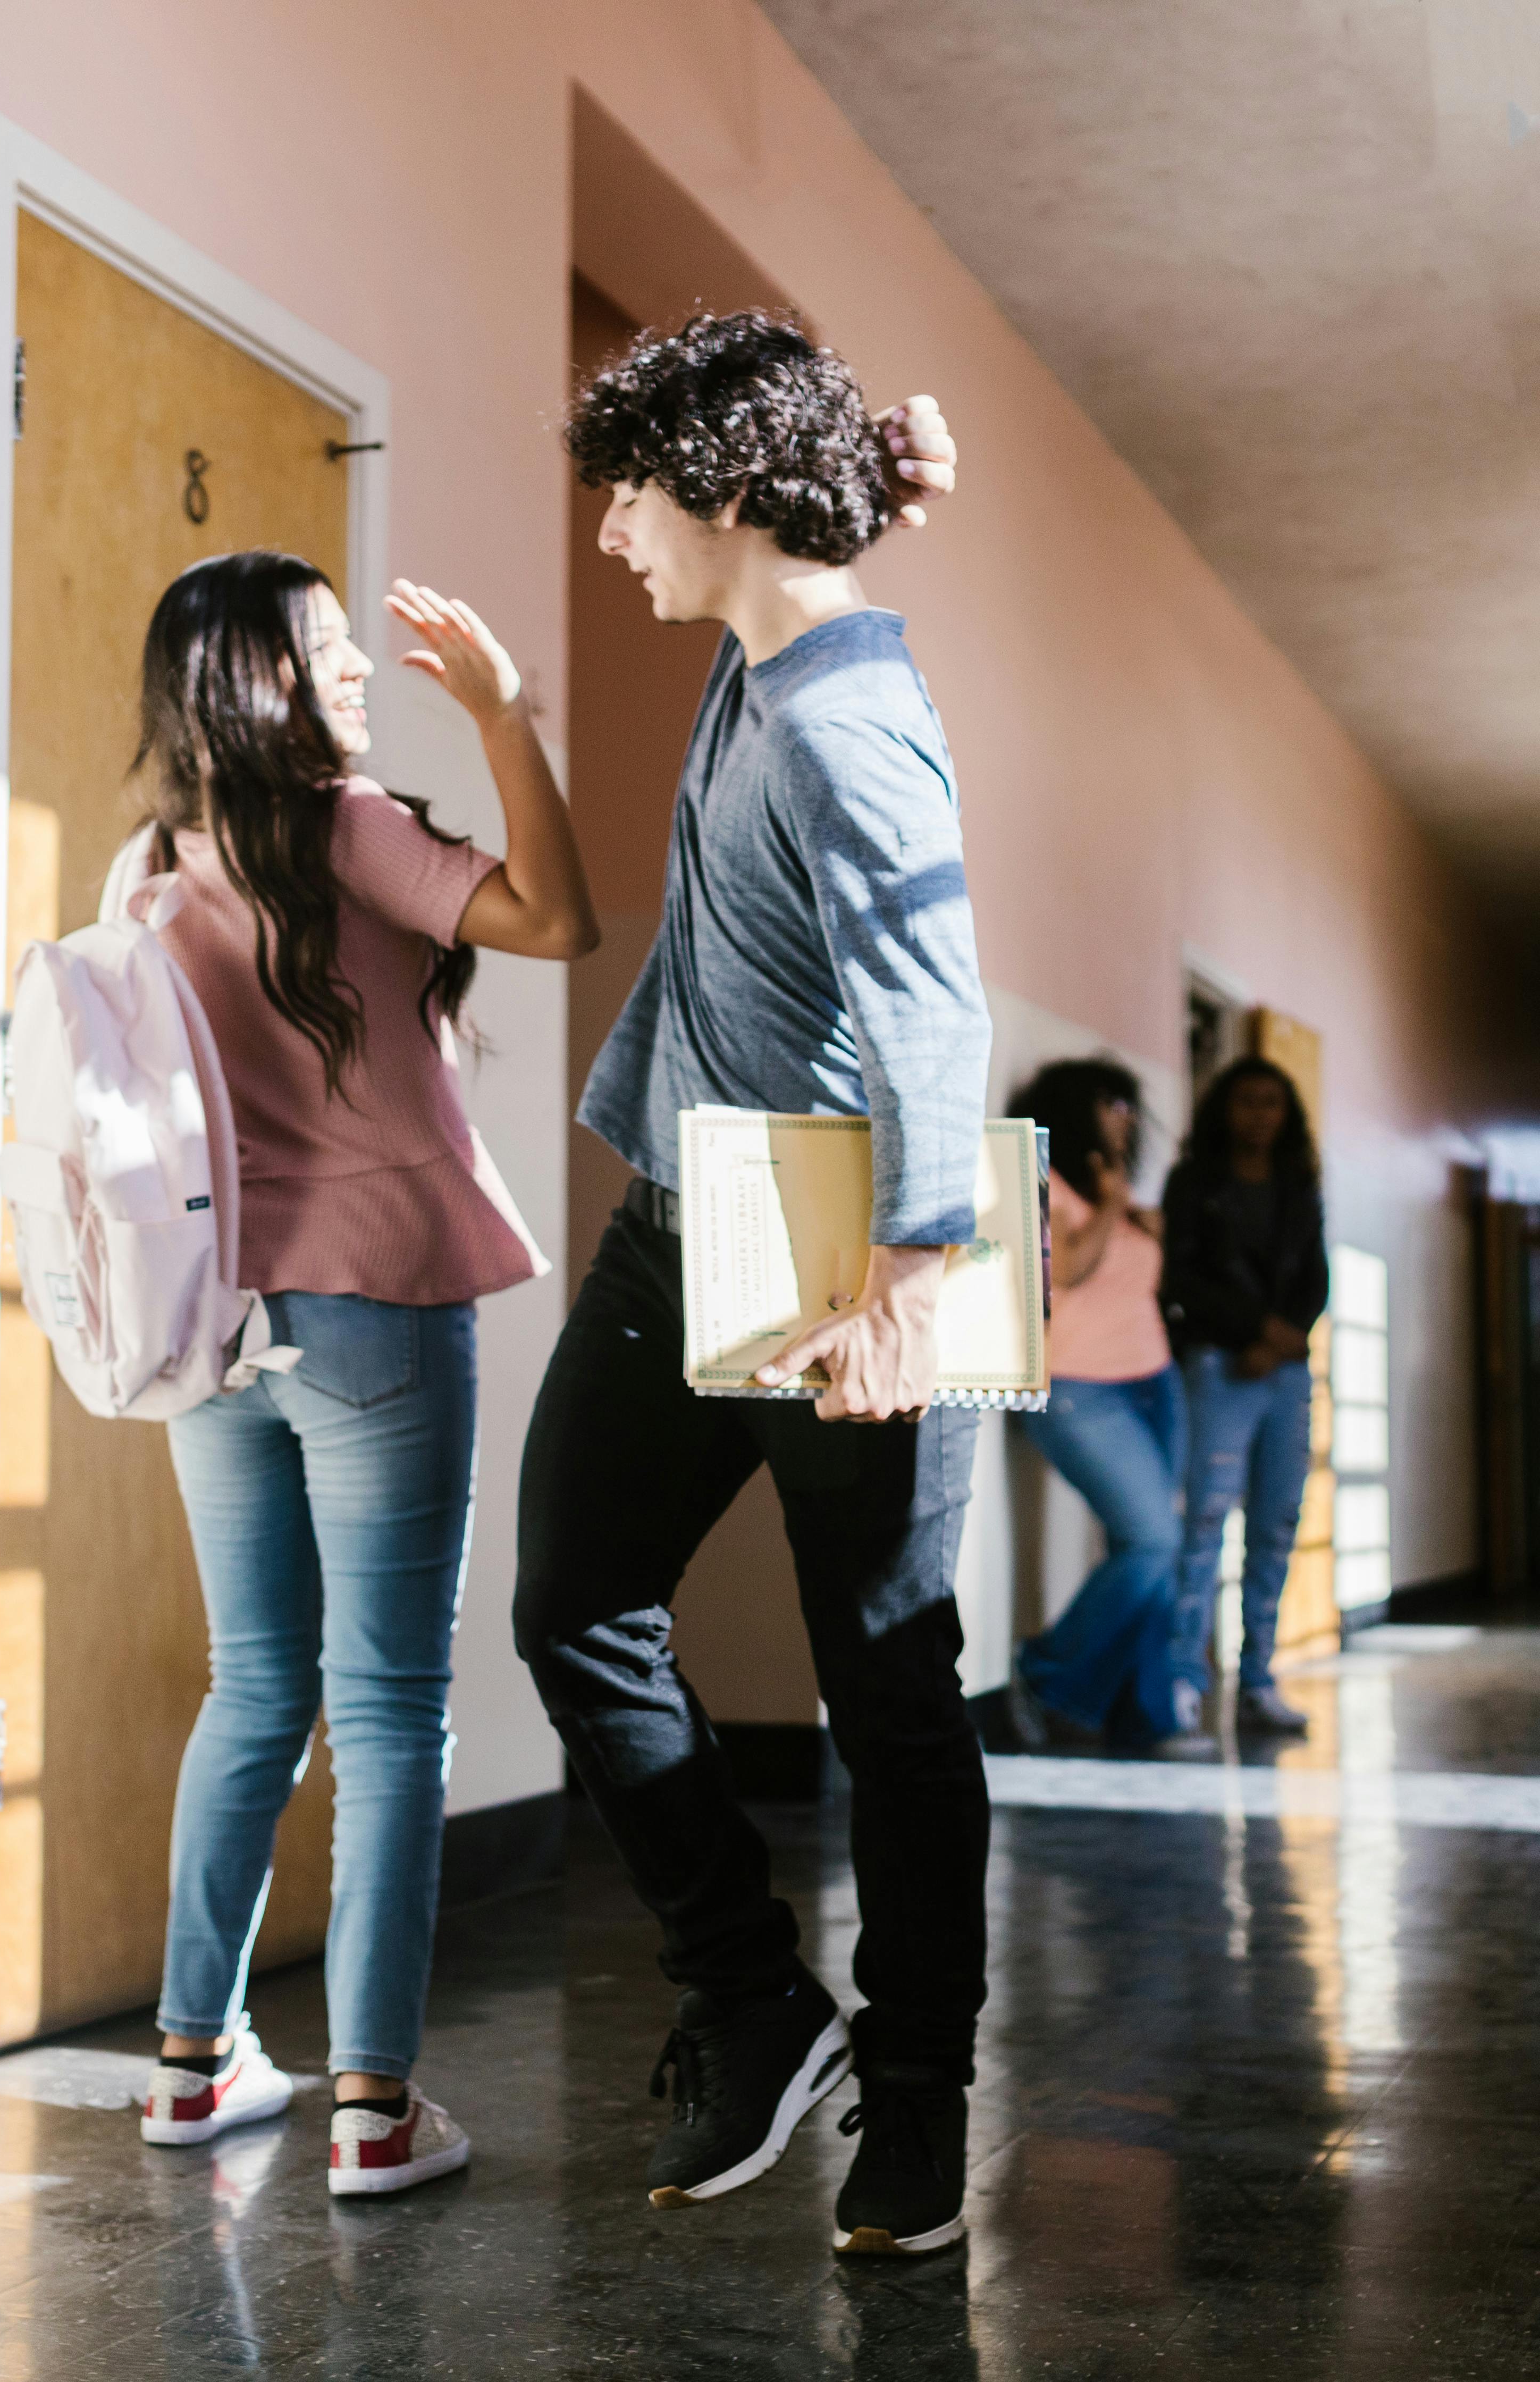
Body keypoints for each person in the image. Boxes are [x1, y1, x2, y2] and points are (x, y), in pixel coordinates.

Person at [514, 309, 994, 2259]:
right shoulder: (768, 637)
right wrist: (881, 463)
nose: (610, 530)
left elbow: (936, 1013)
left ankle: (918, 2098)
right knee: (571, 1599)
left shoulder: (839, 724)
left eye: (629, 492)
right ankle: (747, 1992)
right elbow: (811, 519)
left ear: (715, 491)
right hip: (682, 1223)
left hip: (842, 1255)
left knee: (884, 1688)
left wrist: (899, 1284)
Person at [125, 552, 596, 2196]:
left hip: (210, 1327)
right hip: (374, 1309)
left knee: (253, 1687)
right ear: (253, 677)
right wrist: (508, 715)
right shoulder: (341, 823)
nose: (355, 672)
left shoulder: (151, 862)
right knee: (388, 1709)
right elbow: (559, 916)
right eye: (323, 649)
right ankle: (372, 2105)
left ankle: (193, 2063)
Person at [1002, 1059, 1193, 1749]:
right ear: (1080, 1107)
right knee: (1153, 1541)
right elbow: (1065, 1275)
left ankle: (1144, 1715)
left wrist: (1145, 1225)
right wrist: (1113, 1206)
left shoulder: (1115, 1192)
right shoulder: (1040, 1176)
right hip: (1078, 1386)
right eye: (1115, 1103)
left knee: (1149, 1552)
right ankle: (1047, 1672)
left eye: (1130, 1105)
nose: (1128, 1117)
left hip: (1153, 1379)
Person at [1159, 1057, 1329, 1738]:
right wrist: (1255, 1331)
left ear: (1287, 1113)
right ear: (1224, 1109)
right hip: (1218, 1366)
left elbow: (1315, 1275)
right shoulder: (1193, 1182)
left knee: (1277, 1526)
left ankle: (1259, 1680)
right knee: (1203, 1522)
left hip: (1286, 1372)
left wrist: (1286, 1338)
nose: (1259, 1113)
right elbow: (1178, 1279)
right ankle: (1182, 1681)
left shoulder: (1300, 1183)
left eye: (1272, 1101)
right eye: (1246, 1100)